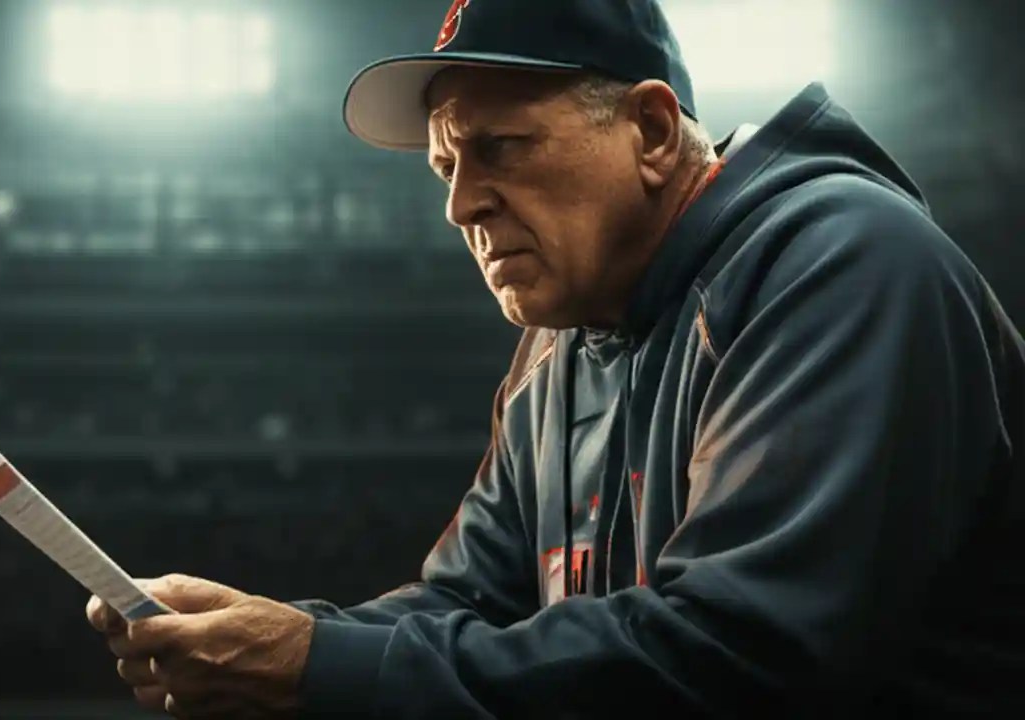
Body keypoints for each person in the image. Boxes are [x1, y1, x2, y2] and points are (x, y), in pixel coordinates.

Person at [86, 0, 1025, 716]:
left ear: (651, 131)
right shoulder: (557, 344)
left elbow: (745, 656)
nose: (461, 205)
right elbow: (472, 605)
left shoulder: (842, 263)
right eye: (447, 167)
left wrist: (312, 663)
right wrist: (269, 634)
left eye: (500, 147)